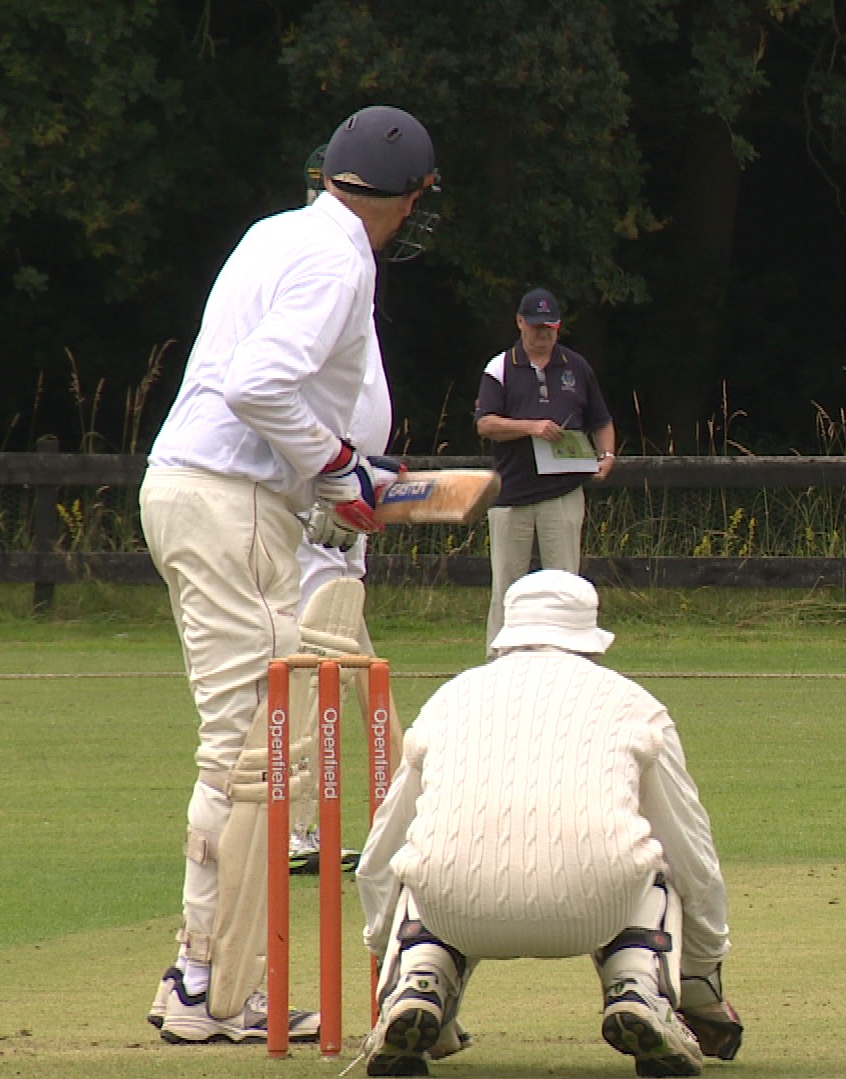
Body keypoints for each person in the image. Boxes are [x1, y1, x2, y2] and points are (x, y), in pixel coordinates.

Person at [139, 104, 438, 1044]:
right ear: (411, 196)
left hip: (203, 494)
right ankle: (210, 989)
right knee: (251, 753)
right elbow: (259, 383)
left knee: (249, 748)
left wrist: (346, 473)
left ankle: (202, 978)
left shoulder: (278, 232)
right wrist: (340, 467)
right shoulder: (340, 260)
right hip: (229, 503)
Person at [354, 570, 743, 1078]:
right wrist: (702, 977)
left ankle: (418, 981)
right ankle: (638, 986)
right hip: (597, 905)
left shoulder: (448, 699)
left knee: (426, 858)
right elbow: (690, 847)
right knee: (656, 859)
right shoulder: (636, 704)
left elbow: (383, 849)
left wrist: (382, 948)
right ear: (590, 637)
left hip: (455, 909)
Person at [474, 289, 619, 653]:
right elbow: (485, 424)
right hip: (511, 492)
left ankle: (570, 658)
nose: (543, 333)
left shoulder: (576, 367)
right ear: (520, 323)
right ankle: (500, 661)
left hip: (563, 493)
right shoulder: (500, 367)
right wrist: (531, 427)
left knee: (565, 584)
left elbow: (601, 421)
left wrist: (607, 455)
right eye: (536, 326)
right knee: (508, 587)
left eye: (549, 326)